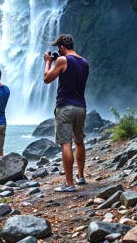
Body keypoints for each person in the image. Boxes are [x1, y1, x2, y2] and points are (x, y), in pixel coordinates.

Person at [43, 34, 89, 192]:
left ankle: (69, 184)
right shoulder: (84, 62)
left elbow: (47, 78)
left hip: (65, 107)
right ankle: (81, 176)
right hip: (81, 107)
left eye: (58, 48)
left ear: (62, 47)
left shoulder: (63, 60)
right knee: (79, 141)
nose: (58, 51)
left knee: (66, 144)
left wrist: (48, 62)